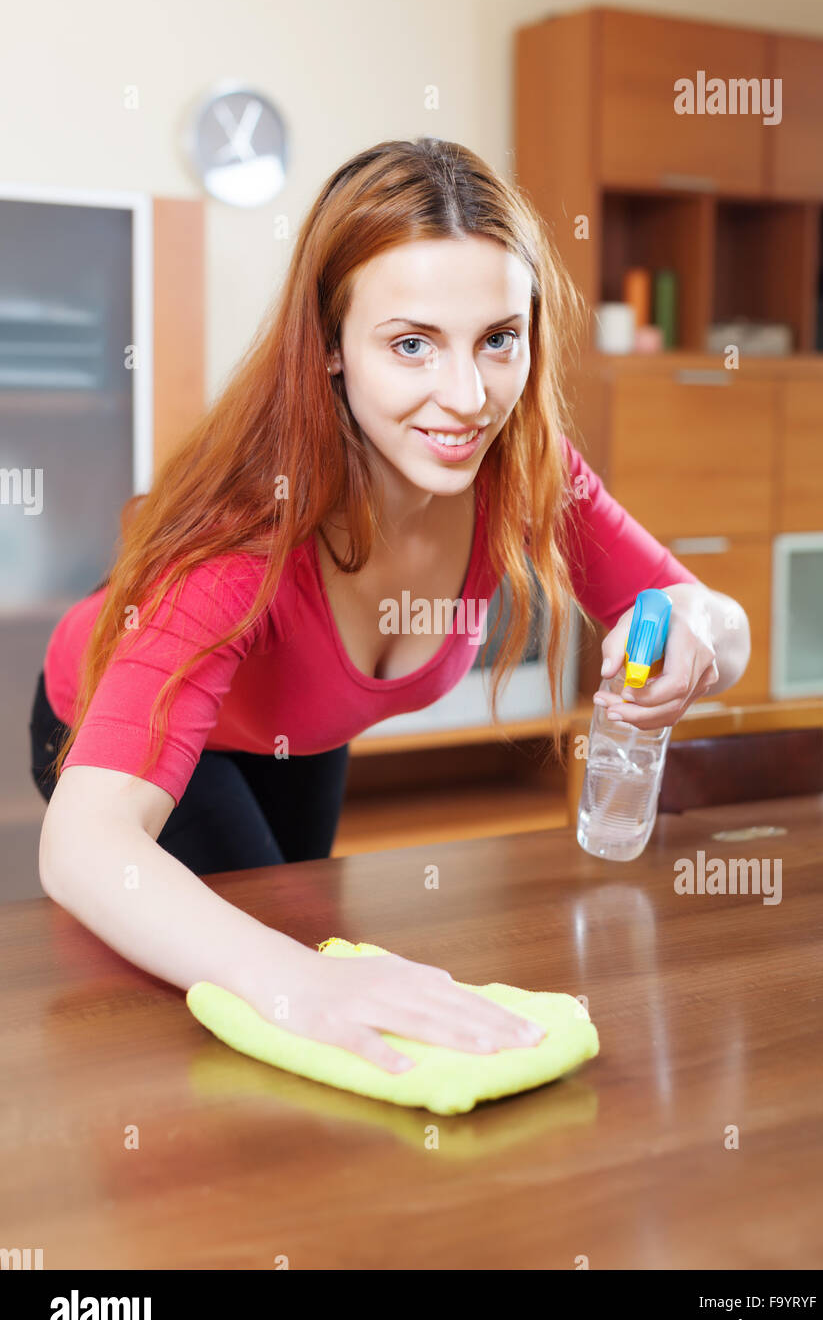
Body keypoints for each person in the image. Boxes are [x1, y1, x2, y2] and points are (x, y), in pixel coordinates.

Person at [32, 137, 750, 1074]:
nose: (466, 400)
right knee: (247, 997)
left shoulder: (528, 474)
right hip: (115, 718)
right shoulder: (245, 538)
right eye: (412, 344)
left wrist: (696, 630)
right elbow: (83, 846)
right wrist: (295, 984)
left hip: (296, 727)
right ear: (329, 348)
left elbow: (711, 617)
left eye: (499, 339)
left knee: (305, 959)